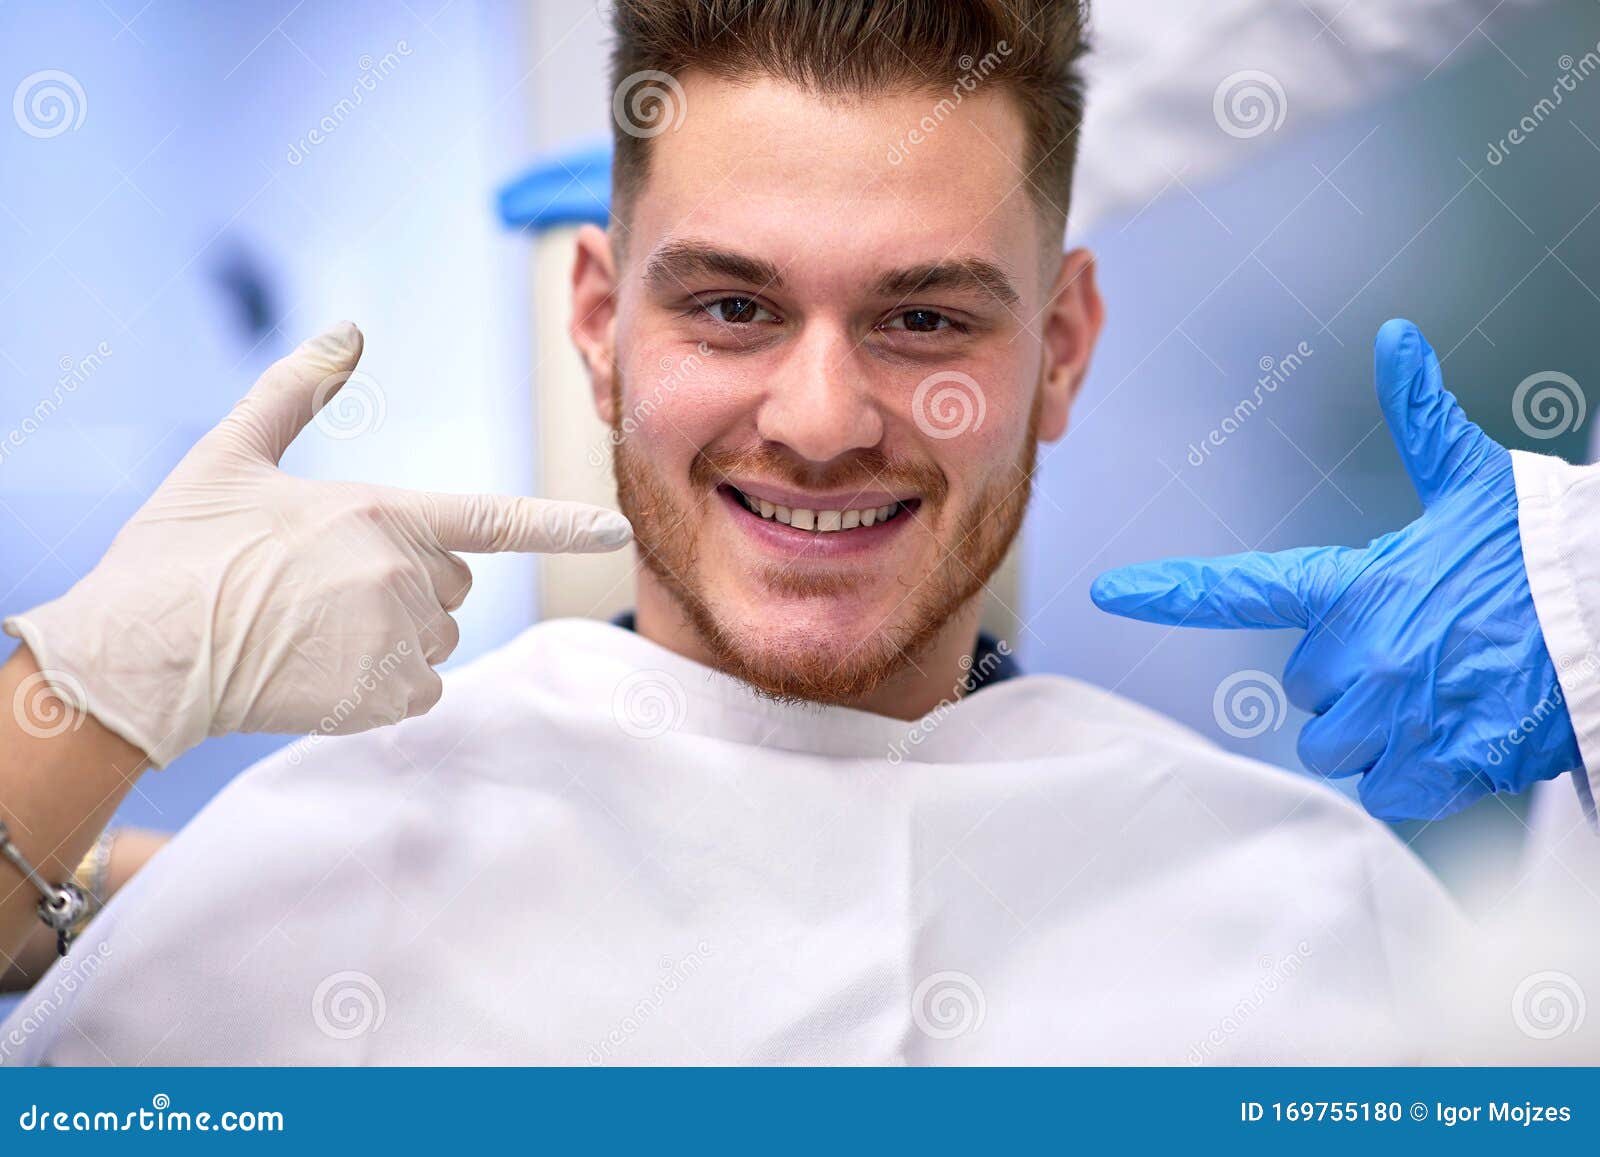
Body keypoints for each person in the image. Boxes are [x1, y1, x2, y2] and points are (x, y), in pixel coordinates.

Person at [0, 0, 1590, 1065]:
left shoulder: (1309, 913)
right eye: (733, 304)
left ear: (1067, 346)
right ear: (600, 326)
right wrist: (69, 705)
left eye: (923, 315)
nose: (821, 418)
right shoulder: (300, 888)